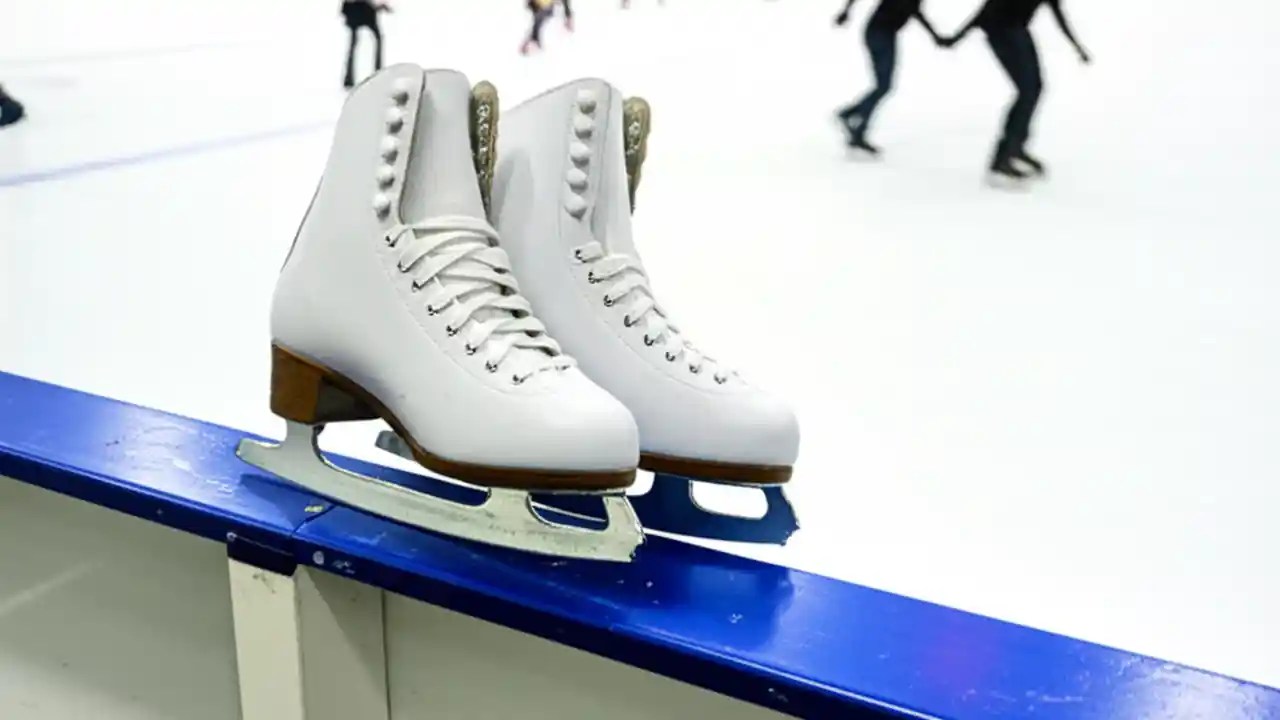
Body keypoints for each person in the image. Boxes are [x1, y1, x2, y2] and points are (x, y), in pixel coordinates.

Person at [943, 0, 1089, 183]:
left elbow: (1057, 12)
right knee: (1028, 90)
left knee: (1034, 88)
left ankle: (1015, 148)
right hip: (999, 30)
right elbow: (987, 8)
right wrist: (958, 37)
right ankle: (1003, 157)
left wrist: (1076, 46)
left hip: (1017, 29)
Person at [833, 0, 944, 156]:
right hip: (879, 33)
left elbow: (915, 12)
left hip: (884, 33)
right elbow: (915, 12)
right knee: (883, 86)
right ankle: (852, 121)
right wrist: (846, 11)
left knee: (883, 86)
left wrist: (935, 36)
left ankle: (852, 118)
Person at [342, 1, 393, 89]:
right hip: (363, 10)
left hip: (356, 9)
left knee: (354, 44)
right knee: (376, 40)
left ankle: (349, 78)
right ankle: (377, 74)